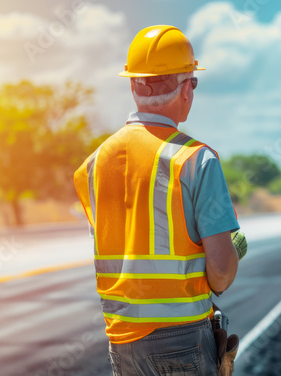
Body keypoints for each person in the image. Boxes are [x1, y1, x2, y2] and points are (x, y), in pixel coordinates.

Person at [73, 25, 247, 376]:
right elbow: (222, 275)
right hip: (181, 339)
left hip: (121, 339)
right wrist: (233, 247)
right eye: (193, 83)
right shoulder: (196, 159)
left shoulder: (92, 166)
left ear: (134, 85)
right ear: (186, 88)